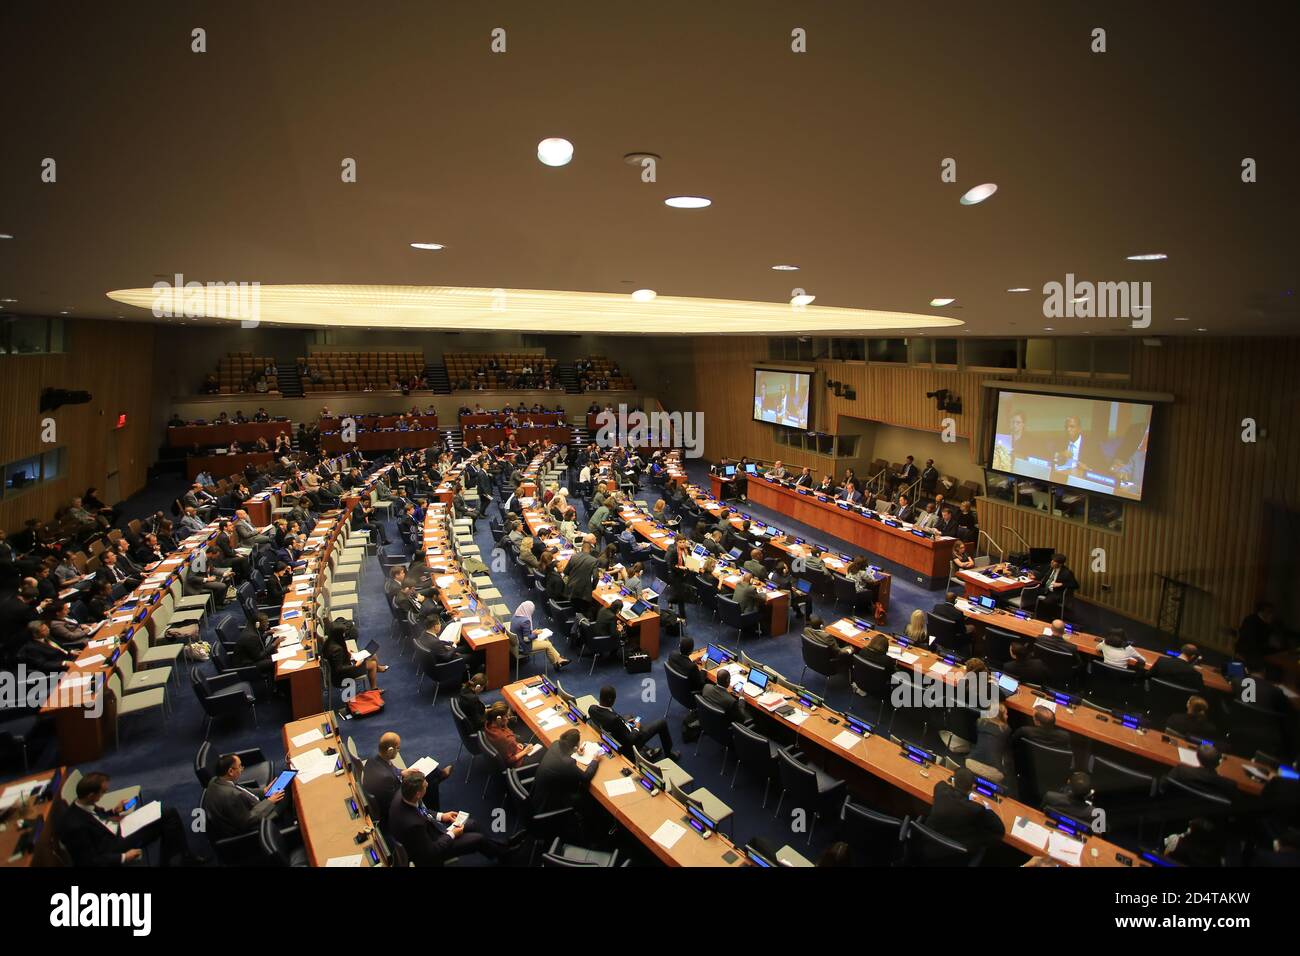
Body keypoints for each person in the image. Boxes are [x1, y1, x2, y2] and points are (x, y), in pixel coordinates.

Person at [59, 771, 204, 867]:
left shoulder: (84, 803)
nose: (105, 794)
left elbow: (98, 819)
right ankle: (179, 858)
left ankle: (180, 857)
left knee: (168, 813)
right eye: (103, 792)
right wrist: (124, 857)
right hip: (115, 845)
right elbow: (90, 861)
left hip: (118, 828)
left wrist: (113, 812)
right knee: (168, 821)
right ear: (91, 795)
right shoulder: (75, 827)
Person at [388, 770, 511, 865]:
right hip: (435, 847)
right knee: (478, 839)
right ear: (418, 794)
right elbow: (431, 852)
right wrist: (452, 834)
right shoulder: (414, 824)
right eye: (425, 786)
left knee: (472, 824)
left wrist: (442, 816)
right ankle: (505, 855)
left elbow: (423, 811)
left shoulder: (404, 793)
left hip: (432, 831)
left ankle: (499, 846)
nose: (427, 786)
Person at [362, 732, 452, 822]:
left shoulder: (372, 759)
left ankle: (438, 775)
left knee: (425, 773)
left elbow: (391, 770)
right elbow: (398, 801)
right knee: (428, 784)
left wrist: (402, 772)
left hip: (393, 788)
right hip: (393, 809)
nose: (399, 750)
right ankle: (434, 815)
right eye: (398, 748)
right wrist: (413, 783)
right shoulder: (386, 778)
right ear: (390, 750)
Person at [201, 753, 287, 839]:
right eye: (240, 766)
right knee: (286, 794)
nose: (242, 769)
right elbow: (248, 821)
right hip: (252, 825)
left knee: (282, 788)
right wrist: (270, 801)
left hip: (250, 807)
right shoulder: (232, 796)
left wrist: (264, 791)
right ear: (230, 771)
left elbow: (243, 790)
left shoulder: (216, 780)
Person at [925, 769, 1005, 855]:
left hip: (927, 847)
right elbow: (1000, 830)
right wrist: (985, 807)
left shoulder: (940, 789)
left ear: (953, 781)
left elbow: (943, 784)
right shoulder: (976, 808)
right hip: (955, 855)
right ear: (973, 787)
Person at [588, 684, 679, 759]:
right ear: (610, 700)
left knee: (630, 716)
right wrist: (636, 728)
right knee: (662, 723)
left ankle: (646, 750)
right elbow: (630, 739)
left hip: (615, 731)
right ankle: (669, 755)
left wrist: (625, 722)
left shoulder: (592, 709)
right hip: (629, 744)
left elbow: (613, 720)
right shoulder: (614, 720)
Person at [530, 728, 601, 815]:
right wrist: (595, 761)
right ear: (575, 747)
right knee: (588, 797)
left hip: (538, 794)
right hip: (549, 803)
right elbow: (586, 777)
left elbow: (563, 753)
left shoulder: (555, 744)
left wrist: (574, 751)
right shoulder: (567, 763)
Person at [322, 620, 385, 690]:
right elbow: (339, 669)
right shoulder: (337, 650)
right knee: (372, 664)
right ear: (338, 635)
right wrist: (356, 665)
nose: (344, 635)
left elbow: (337, 661)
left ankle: (378, 668)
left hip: (344, 666)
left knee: (373, 655)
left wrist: (348, 653)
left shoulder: (329, 642)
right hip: (342, 677)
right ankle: (374, 689)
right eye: (343, 633)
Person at [510, 600, 568, 668]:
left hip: (516, 644)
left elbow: (520, 631)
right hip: (523, 647)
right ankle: (557, 662)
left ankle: (558, 659)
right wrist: (536, 634)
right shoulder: (525, 621)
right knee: (548, 644)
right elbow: (526, 639)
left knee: (546, 639)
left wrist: (532, 632)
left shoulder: (516, 616)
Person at [484, 702, 544, 768]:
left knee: (533, 742)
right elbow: (509, 761)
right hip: (518, 762)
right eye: (507, 716)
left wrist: (516, 744)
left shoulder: (490, 723)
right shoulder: (502, 738)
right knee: (544, 751)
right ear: (499, 719)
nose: (509, 717)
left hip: (513, 749)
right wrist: (524, 752)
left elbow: (508, 738)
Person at [1165, 744, 1237, 799]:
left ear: (1197, 757)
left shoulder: (1181, 770)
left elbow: (1164, 785)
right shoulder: (1229, 785)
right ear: (1218, 763)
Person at [965, 702, 1011, 783]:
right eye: (1006, 714)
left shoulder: (980, 722)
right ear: (1000, 716)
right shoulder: (1005, 730)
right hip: (994, 773)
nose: (1007, 716)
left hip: (971, 763)